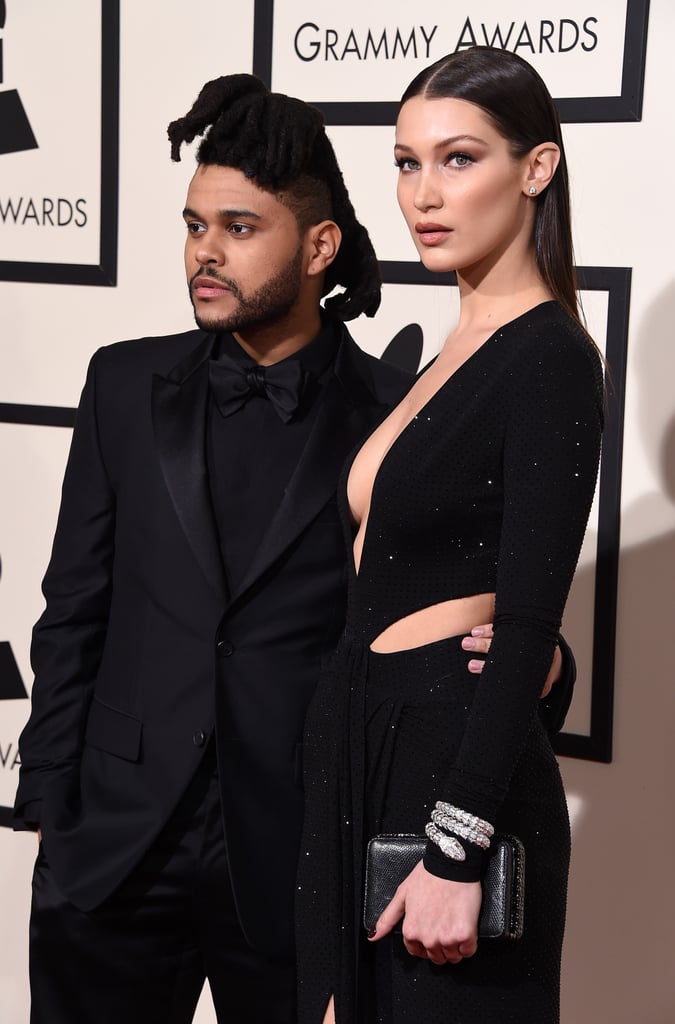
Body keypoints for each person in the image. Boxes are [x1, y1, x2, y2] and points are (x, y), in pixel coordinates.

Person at [13, 74, 572, 1024]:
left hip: (297, 854)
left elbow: (438, 594)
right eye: (194, 226)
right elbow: (73, 612)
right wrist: (57, 816)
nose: (205, 254)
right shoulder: (122, 384)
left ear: (318, 247)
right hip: (110, 852)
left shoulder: (392, 417)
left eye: (237, 228)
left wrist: (540, 665)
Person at [296, 46, 604, 1024]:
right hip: (360, 748)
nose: (423, 194)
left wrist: (455, 847)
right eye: (405, 161)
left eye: (459, 159)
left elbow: (523, 624)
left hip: (447, 785)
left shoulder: (548, 356)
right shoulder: (440, 350)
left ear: (537, 167)